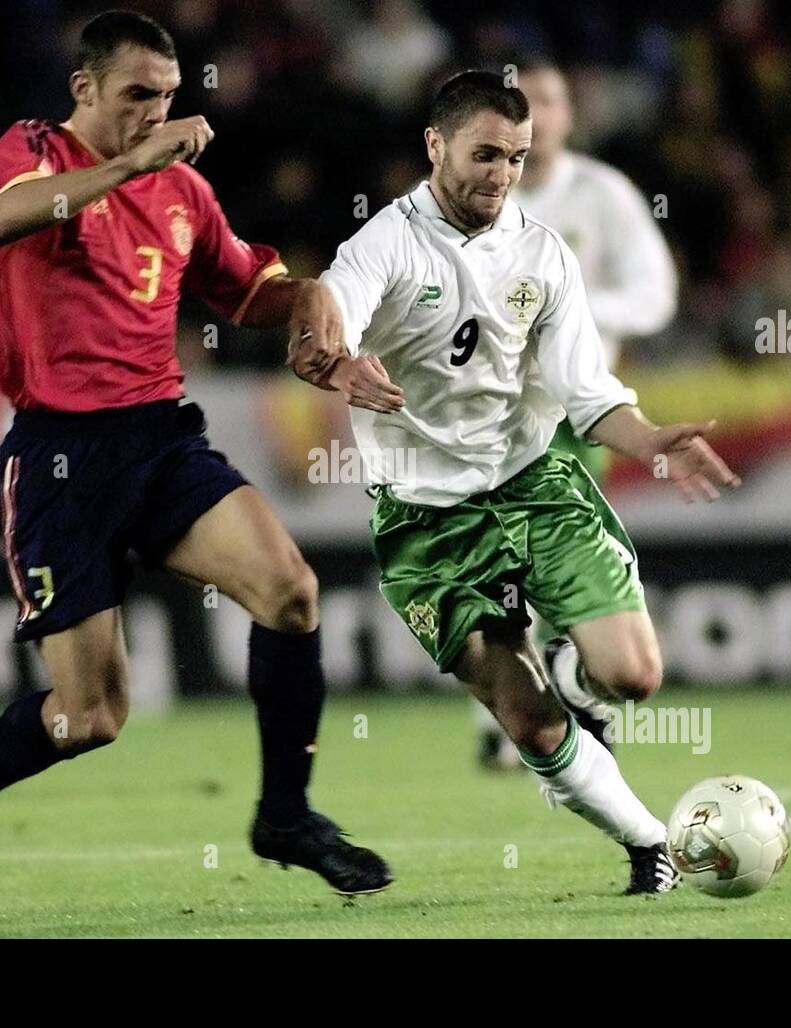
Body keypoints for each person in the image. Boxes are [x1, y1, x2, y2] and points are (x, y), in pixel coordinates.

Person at [0, 10, 401, 914]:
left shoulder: (183, 194)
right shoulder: (35, 152)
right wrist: (127, 167)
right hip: (60, 456)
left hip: (160, 439)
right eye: (137, 93)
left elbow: (245, 286)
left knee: (291, 592)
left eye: (169, 97)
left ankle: (286, 815)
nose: (156, 112)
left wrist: (314, 302)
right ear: (86, 89)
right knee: (91, 717)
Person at [297, 71, 739, 893]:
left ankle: (574, 674)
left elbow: (589, 390)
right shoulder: (382, 246)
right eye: (486, 154)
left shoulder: (543, 253)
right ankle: (652, 847)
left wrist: (650, 442)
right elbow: (324, 320)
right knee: (530, 728)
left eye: (517, 157)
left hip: (535, 484)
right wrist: (339, 365)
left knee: (634, 678)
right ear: (436, 146)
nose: (502, 174)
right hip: (426, 522)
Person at [470, 58, 681, 769]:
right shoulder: (474, 199)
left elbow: (655, 295)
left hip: (579, 409)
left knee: (565, 558)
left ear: (566, 114)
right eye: (528, 103)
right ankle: (535, 700)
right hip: (486, 414)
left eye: (553, 101)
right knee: (497, 564)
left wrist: (575, 311)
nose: (542, 114)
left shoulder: (603, 194)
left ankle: (566, 695)